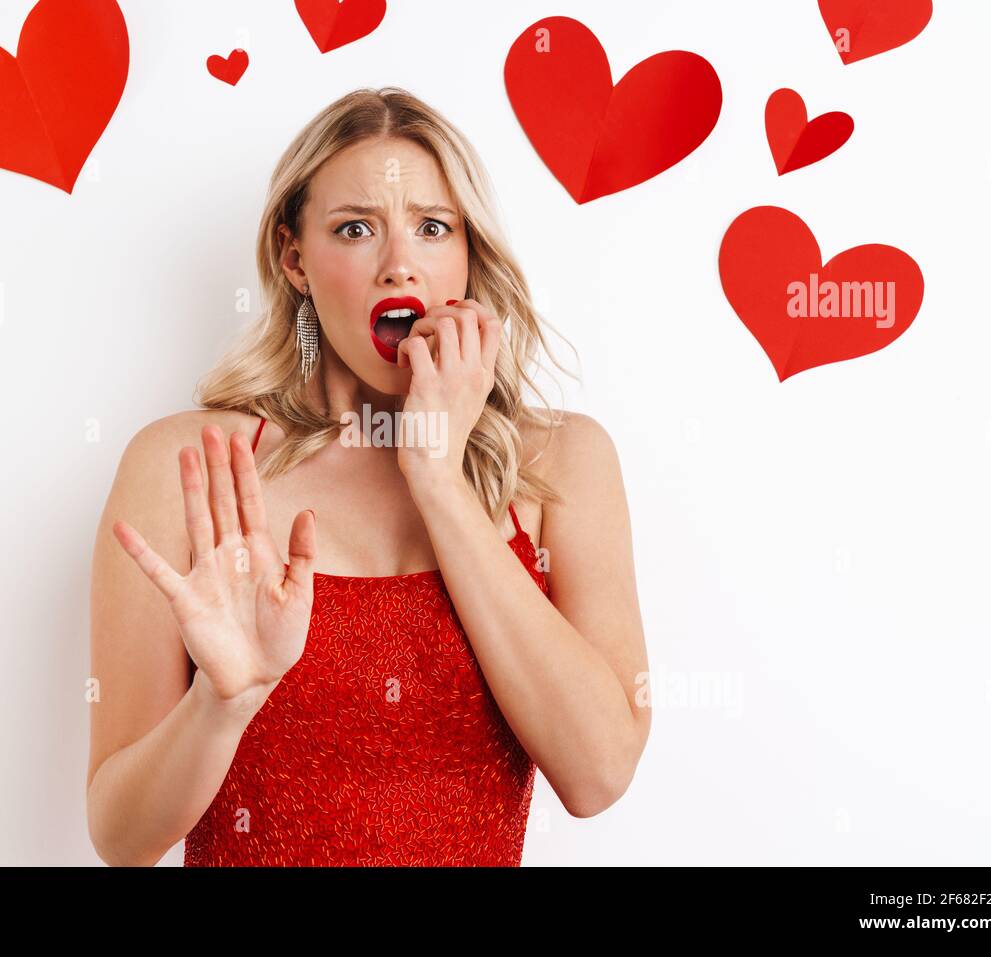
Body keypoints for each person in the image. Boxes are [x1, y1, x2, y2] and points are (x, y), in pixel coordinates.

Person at [86, 87, 649, 866]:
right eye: (355, 229)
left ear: (467, 254)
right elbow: (120, 836)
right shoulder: (194, 467)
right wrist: (224, 703)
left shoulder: (561, 464)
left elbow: (600, 773)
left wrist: (438, 475)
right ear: (295, 260)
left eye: (432, 227)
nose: (398, 265)